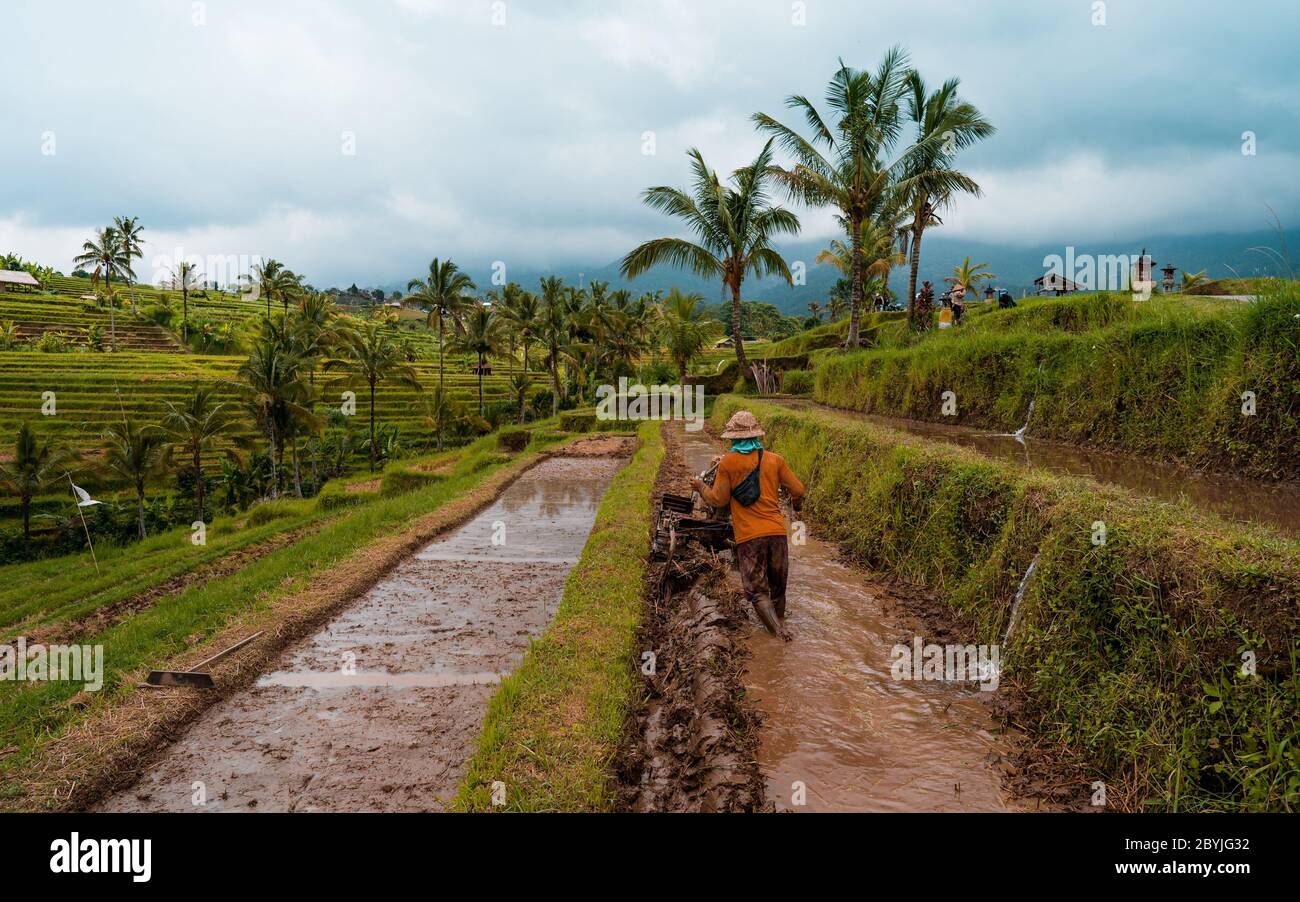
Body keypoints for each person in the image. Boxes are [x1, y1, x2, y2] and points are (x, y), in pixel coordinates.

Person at [691, 410, 805, 639]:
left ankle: (779, 633)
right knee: (777, 589)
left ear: (733, 438)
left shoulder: (728, 463)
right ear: (756, 436)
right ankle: (779, 626)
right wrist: (797, 506)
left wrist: (700, 486)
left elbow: (718, 500)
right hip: (777, 533)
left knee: (757, 592)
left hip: (750, 537)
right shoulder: (775, 460)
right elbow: (798, 490)